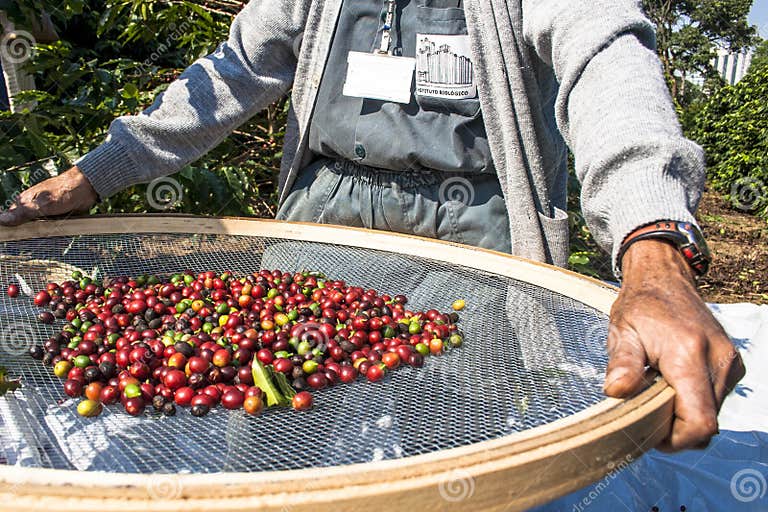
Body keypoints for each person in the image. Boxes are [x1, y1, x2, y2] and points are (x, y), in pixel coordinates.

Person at [0, 0, 744, 451]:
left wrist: (653, 243)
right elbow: (227, 73)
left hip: (474, 225)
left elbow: (607, 59)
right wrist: (95, 173)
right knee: (274, 414)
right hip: (329, 216)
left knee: (461, 422)